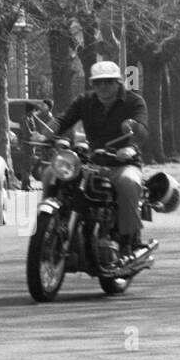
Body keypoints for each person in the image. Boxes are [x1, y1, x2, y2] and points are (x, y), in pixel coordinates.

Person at [42, 60, 149, 258]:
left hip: (122, 162)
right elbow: (64, 119)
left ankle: (129, 240)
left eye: (108, 82)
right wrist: (46, 133)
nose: (102, 87)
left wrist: (131, 147)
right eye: (97, 83)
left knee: (128, 182)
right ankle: (50, 225)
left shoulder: (133, 102)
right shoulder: (85, 101)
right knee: (51, 173)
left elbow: (141, 129)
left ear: (118, 82)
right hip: (92, 161)